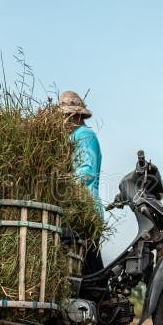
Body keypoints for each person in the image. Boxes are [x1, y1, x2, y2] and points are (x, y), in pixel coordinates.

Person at [58, 90, 103, 274]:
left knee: (89, 269)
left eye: (66, 116)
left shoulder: (84, 135)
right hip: (73, 211)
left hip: (85, 210)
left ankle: (104, 300)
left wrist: (60, 186)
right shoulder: (71, 137)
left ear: (74, 115)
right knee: (84, 267)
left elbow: (86, 172)